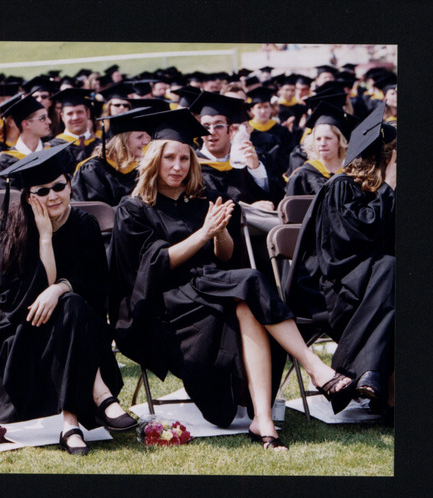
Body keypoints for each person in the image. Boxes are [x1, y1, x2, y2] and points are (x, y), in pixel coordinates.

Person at [109, 109, 351, 450]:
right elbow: (154, 266)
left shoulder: (198, 201)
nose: (177, 166)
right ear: (154, 160)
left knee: (247, 305)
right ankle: (314, 367)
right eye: (170, 159)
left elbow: (222, 257)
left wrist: (220, 233)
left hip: (208, 287)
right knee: (250, 281)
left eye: (184, 158)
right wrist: (204, 233)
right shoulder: (133, 207)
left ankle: (263, 420)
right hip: (165, 302)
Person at [0, 143, 135, 456]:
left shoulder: (85, 225)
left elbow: (96, 288)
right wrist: (45, 237)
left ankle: (70, 424)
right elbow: (17, 305)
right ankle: (101, 397)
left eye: (59, 186)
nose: (53, 196)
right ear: (29, 196)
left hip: (70, 330)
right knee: (72, 309)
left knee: (73, 305)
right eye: (42, 191)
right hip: (15, 335)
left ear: (70, 184)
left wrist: (59, 288)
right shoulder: (6, 231)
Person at [287, 104, 395, 419]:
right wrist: (390, 185)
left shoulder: (384, 192)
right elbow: (346, 250)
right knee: (390, 267)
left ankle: (372, 381)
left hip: (373, 290)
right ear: (383, 158)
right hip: (332, 290)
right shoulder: (340, 186)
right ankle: (371, 379)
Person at [189, 92, 285, 210]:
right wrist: (248, 210)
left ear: (231, 129)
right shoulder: (192, 166)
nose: (211, 132)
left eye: (218, 125)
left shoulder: (250, 158)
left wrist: (256, 169)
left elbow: (276, 198)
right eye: (206, 127)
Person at [71, 107, 150, 206]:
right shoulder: (92, 170)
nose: (146, 142)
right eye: (139, 137)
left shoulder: (142, 166)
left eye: (146, 137)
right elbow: (98, 211)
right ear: (122, 140)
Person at [286, 102, 358, 196]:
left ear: (340, 141)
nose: (322, 143)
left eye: (328, 138)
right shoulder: (302, 175)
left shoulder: (351, 174)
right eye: (318, 139)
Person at [0, 95, 52, 189]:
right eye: (42, 118)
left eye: (47, 117)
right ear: (26, 124)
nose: (49, 121)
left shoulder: (56, 154)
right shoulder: (4, 164)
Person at [46, 88, 102, 174]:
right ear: (62, 117)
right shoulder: (53, 148)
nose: (75, 117)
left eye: (79, 112)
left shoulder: (102, 144)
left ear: (88, 113)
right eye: (70, 113)